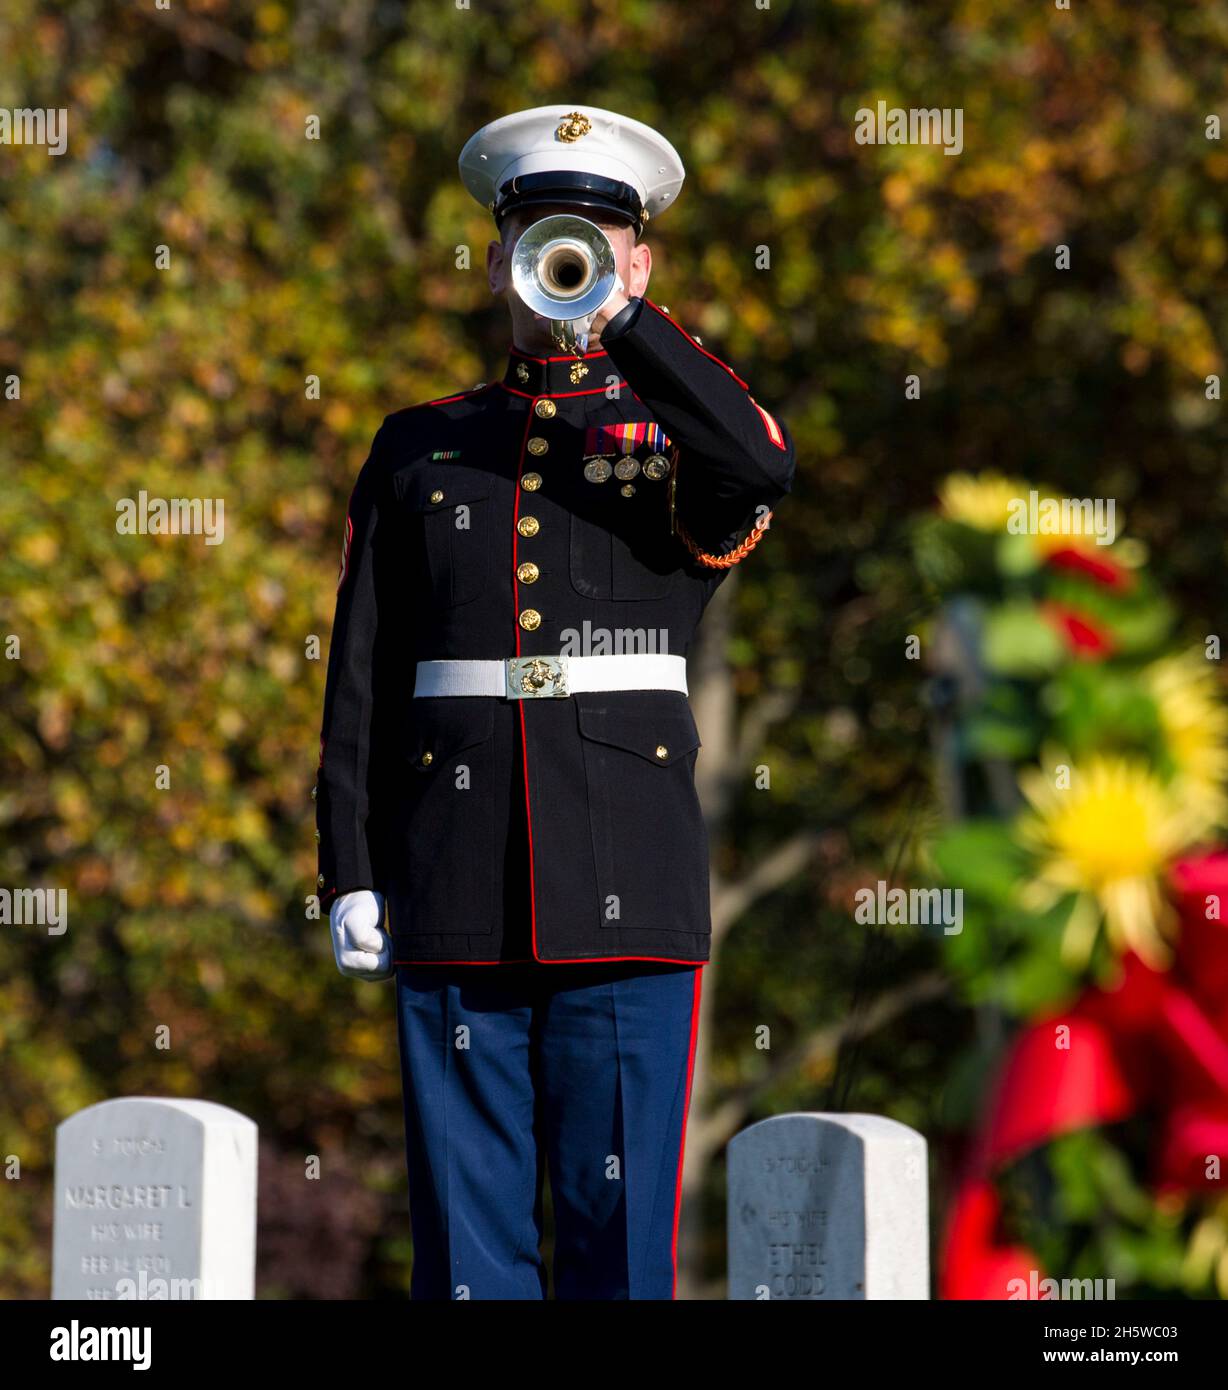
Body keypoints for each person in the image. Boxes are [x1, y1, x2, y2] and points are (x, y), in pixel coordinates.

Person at [314, 104, 795, 1299]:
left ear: (639, 260)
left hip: (624, 878)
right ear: (494, 258)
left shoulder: (670, 438)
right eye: (535, 235)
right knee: (465, 1252)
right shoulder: (421, 444)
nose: (557, 261)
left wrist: (625, 328)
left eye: (588, 240)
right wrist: (349, 864)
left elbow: (762, 463)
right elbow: (364, 675)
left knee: (615, 1238)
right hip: (451, 873)